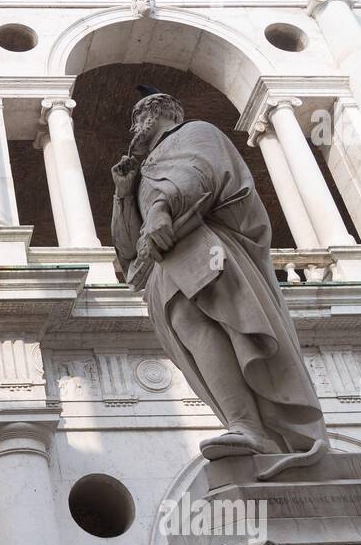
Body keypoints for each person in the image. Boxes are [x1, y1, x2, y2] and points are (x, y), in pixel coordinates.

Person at [111, 86, 328, 477]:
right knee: (191, 329)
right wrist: (125, 196)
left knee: (231, 325)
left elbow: (200, 171)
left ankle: (259, 425)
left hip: (202, 246)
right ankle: (244, 423)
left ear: (163, 110)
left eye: (141, 114)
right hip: (166, 267)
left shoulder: (195, 132)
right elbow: (127, 247)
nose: (135, 125)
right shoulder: (141, 170)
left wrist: (160, 207)